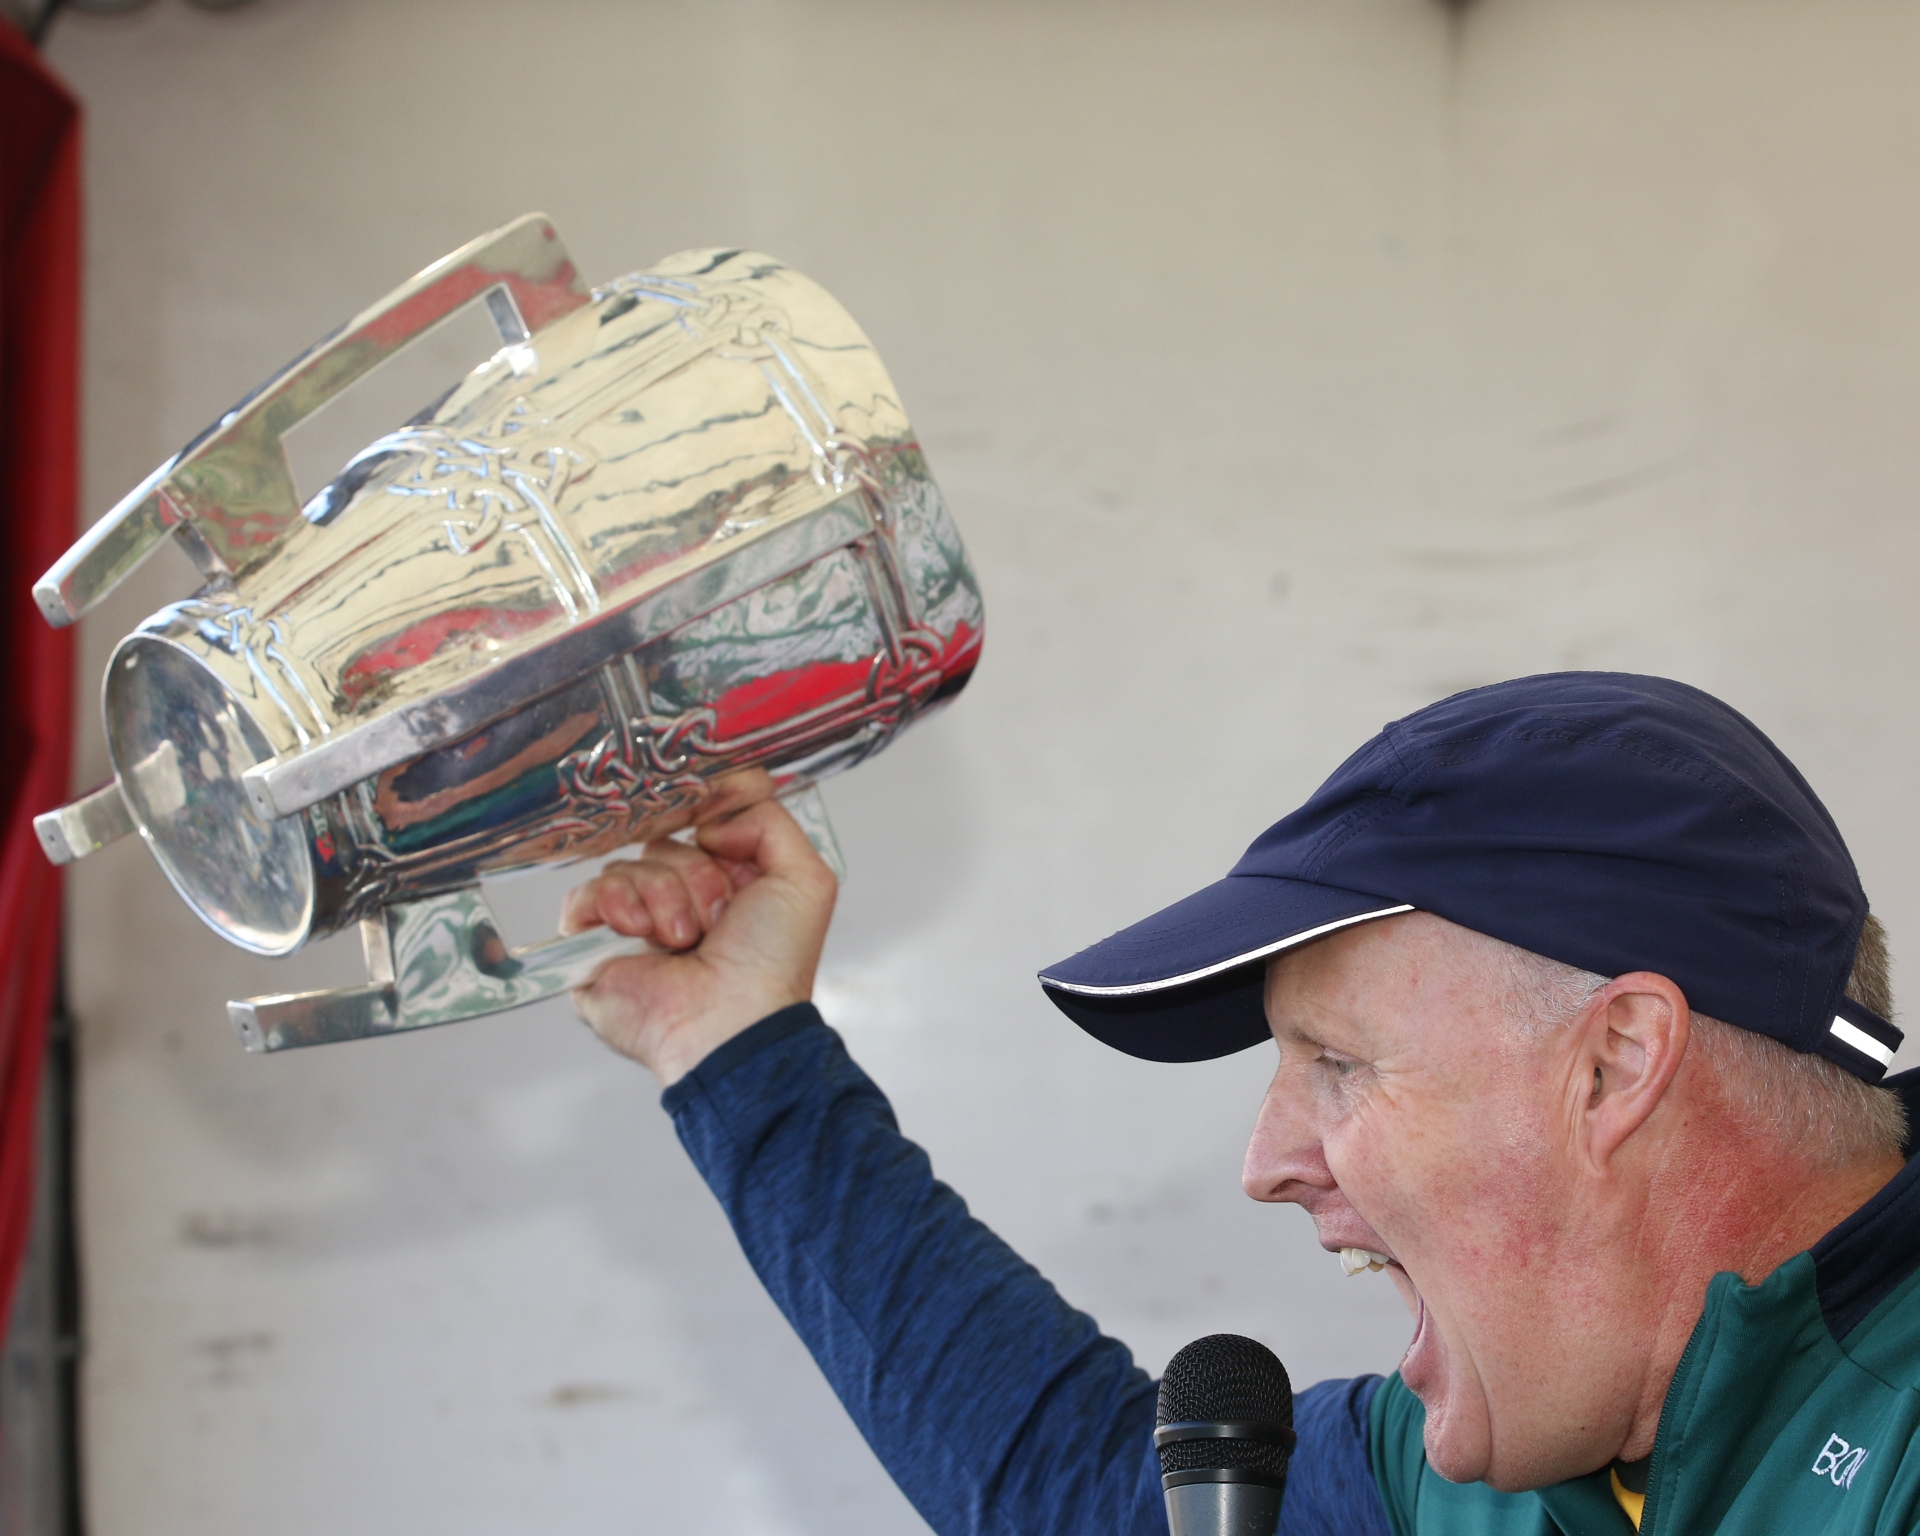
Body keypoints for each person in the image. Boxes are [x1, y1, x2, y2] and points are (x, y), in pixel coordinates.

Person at [560, 672, 1920, 1535]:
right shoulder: (1501, 1458)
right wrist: (740, 1051)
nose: (1269, 1163)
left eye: (1337, 1062)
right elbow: (1081, 1493)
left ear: (1617, 1063)